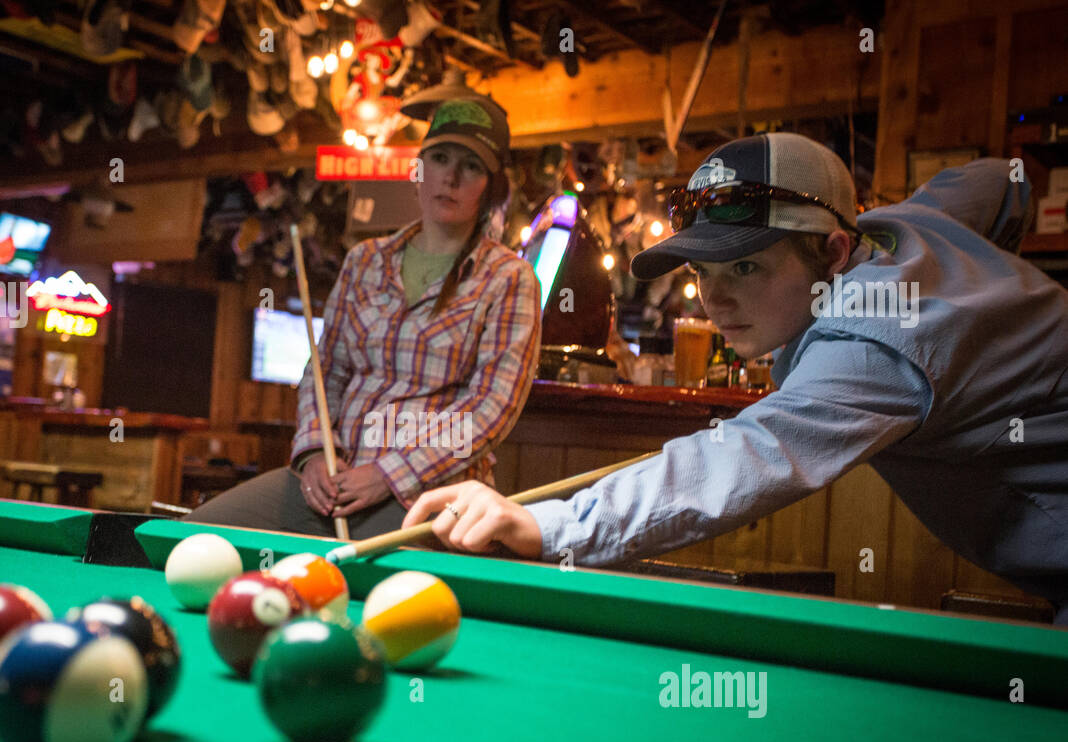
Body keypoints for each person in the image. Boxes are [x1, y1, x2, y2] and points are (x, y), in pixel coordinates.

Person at [404, 131, 1068, 626]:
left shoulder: (875, 342)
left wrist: (547, 527)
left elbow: (739, 461)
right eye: (702, 271)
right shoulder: (903, 228)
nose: (714, 302)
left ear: (833, 252)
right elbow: (998, 183)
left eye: (746, 268)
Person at [186, 97, 541, 536]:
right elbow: (326, 370)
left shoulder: (509, 277)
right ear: (418, 169)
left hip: (429, 495)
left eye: (470, 166)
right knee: (193, 536)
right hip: (332, 480)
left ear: (490, 186)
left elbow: (490, 409)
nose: (450, 176)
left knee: (359, 577)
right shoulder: (364, 261)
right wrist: (314, 452)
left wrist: (387, 474)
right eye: (440, 158)